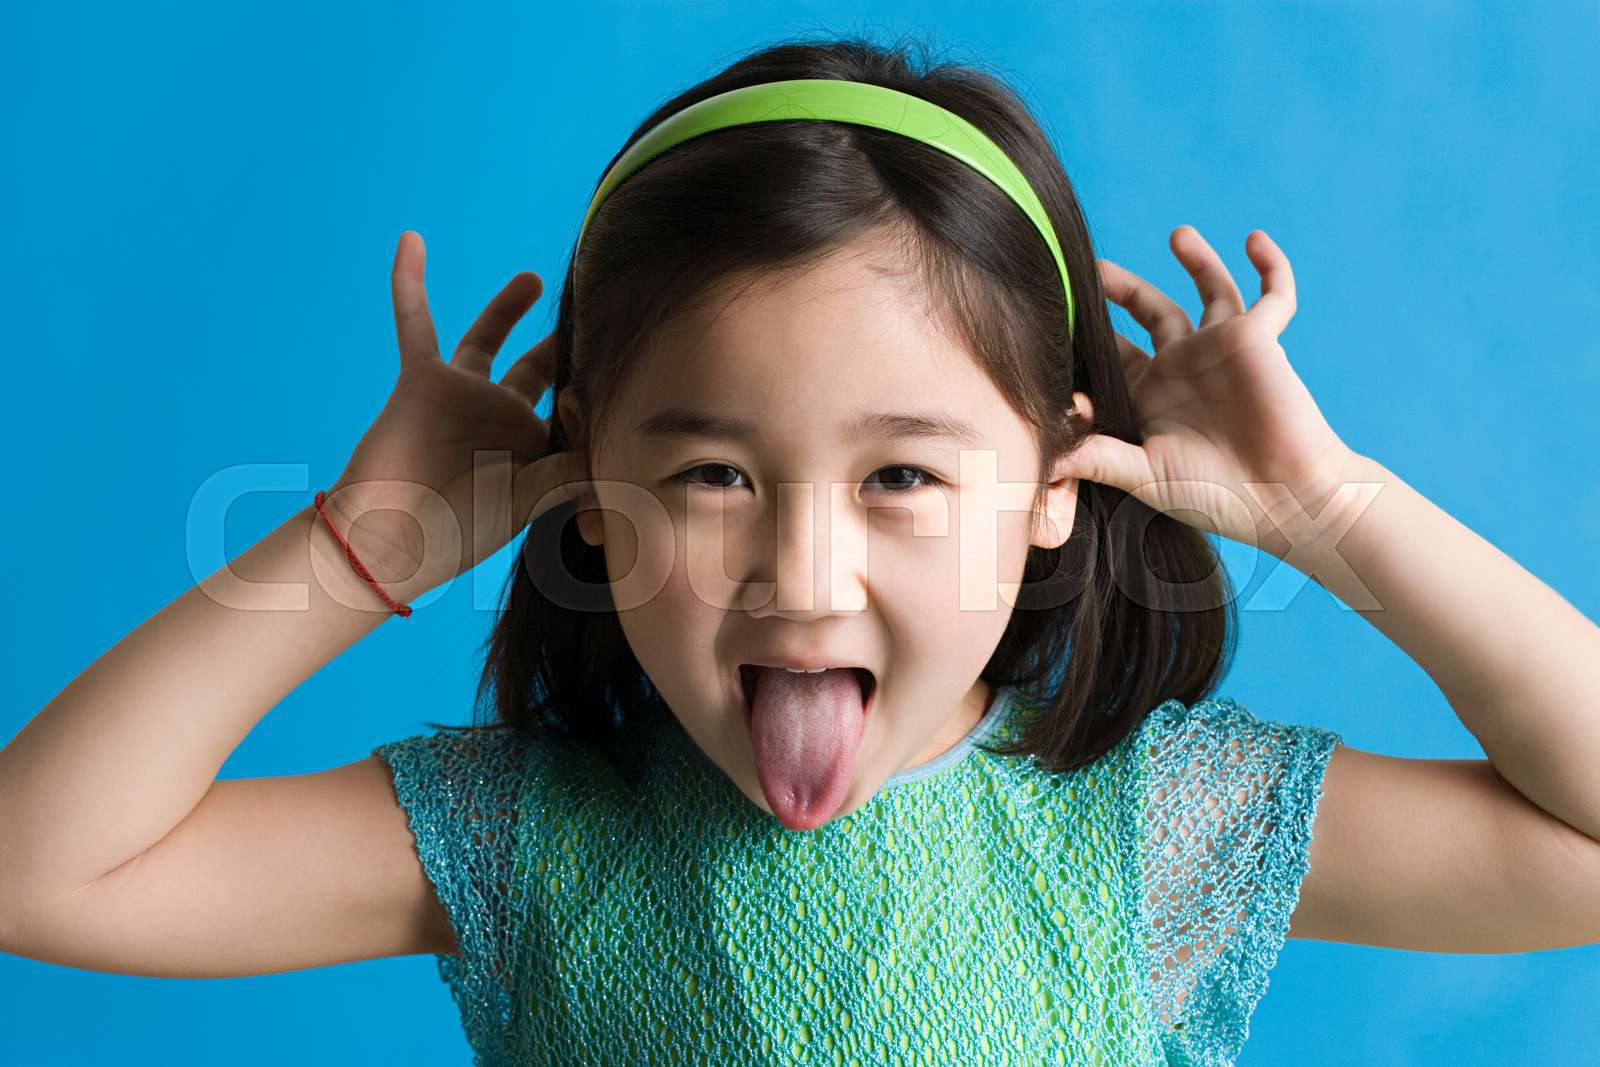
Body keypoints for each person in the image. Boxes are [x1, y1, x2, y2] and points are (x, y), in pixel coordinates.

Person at [8, 32, 1600, 1067]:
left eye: (904, 473)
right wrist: (357, 551)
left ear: (1053, 483)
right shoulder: (526, 840)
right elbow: (38, 875)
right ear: (584, 484)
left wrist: (1335, 519)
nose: (802, 570)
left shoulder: (1151, 832)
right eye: (708, 472)